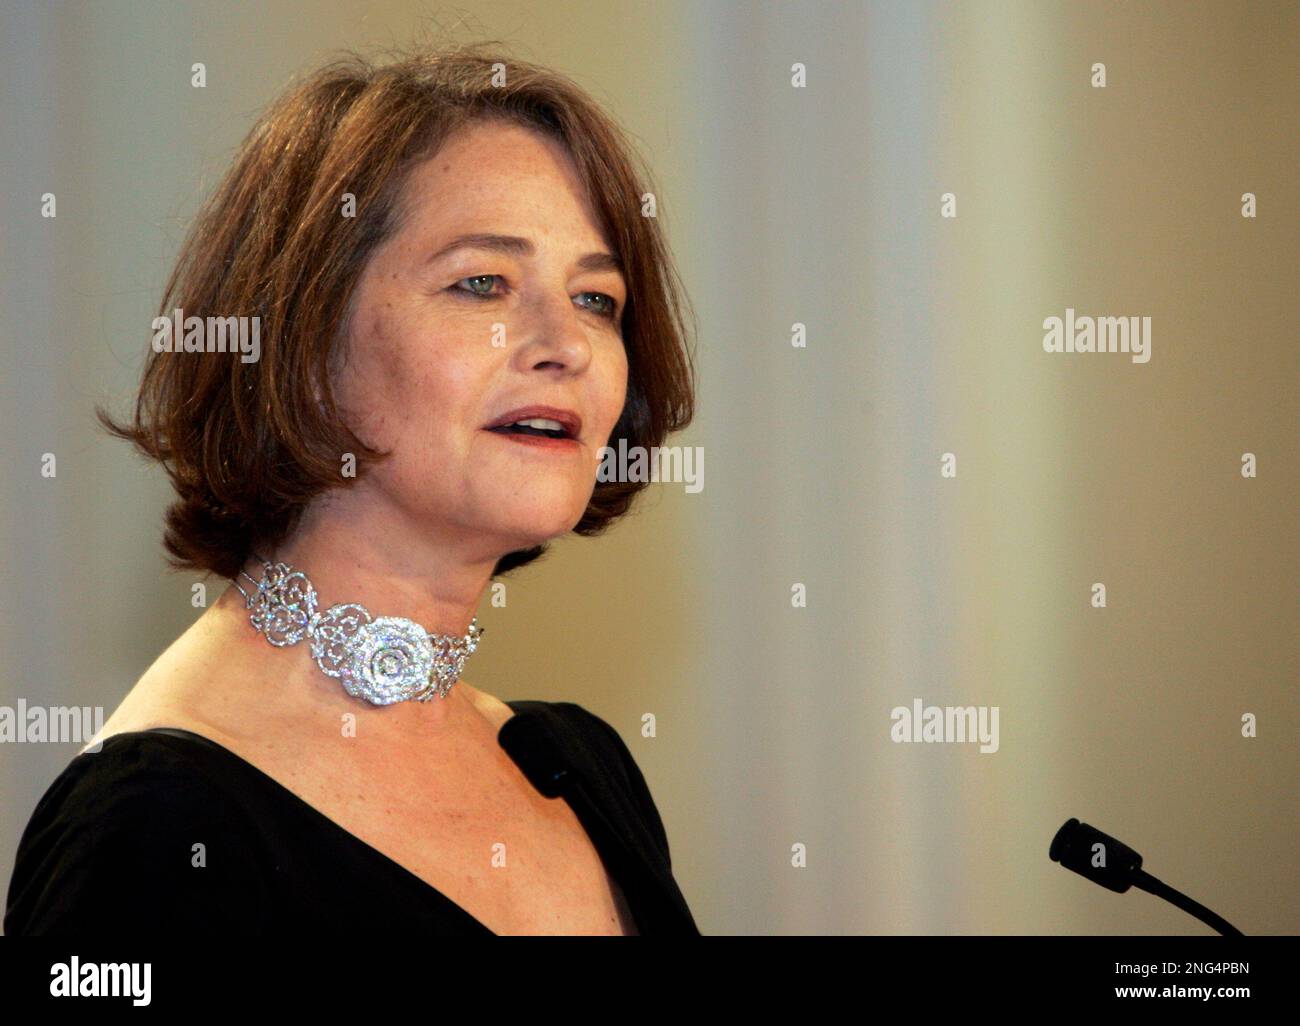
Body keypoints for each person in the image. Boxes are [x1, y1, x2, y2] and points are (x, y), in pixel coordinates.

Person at [4, 42, 698, 936]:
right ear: (305, 338)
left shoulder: (580, 766)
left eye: (598, 299)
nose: (565, 343)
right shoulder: (153, 830)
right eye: (483, 283)